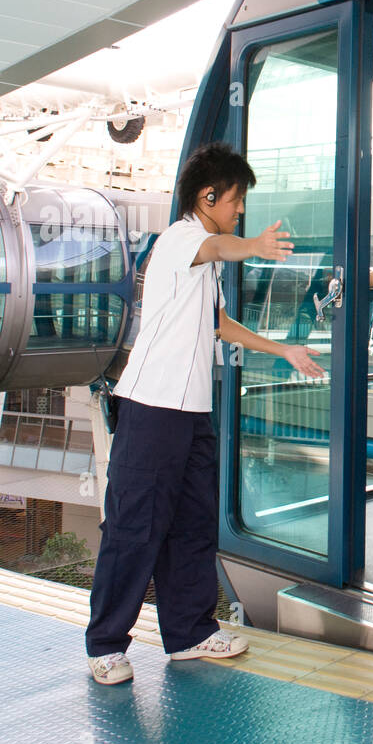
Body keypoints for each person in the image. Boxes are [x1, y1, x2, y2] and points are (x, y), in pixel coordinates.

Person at [85, 142, 325, 685]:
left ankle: (190, 633)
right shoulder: (180, 240)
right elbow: (219, 245)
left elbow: (218, 323)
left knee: (192, 525)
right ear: (208, 196)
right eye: (237, 200)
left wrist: (282, 349)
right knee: (134, 528)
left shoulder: (201, 257)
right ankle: (104, 644)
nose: (241, 210)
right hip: (150, 407)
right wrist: (256, 246)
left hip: (192, 411)